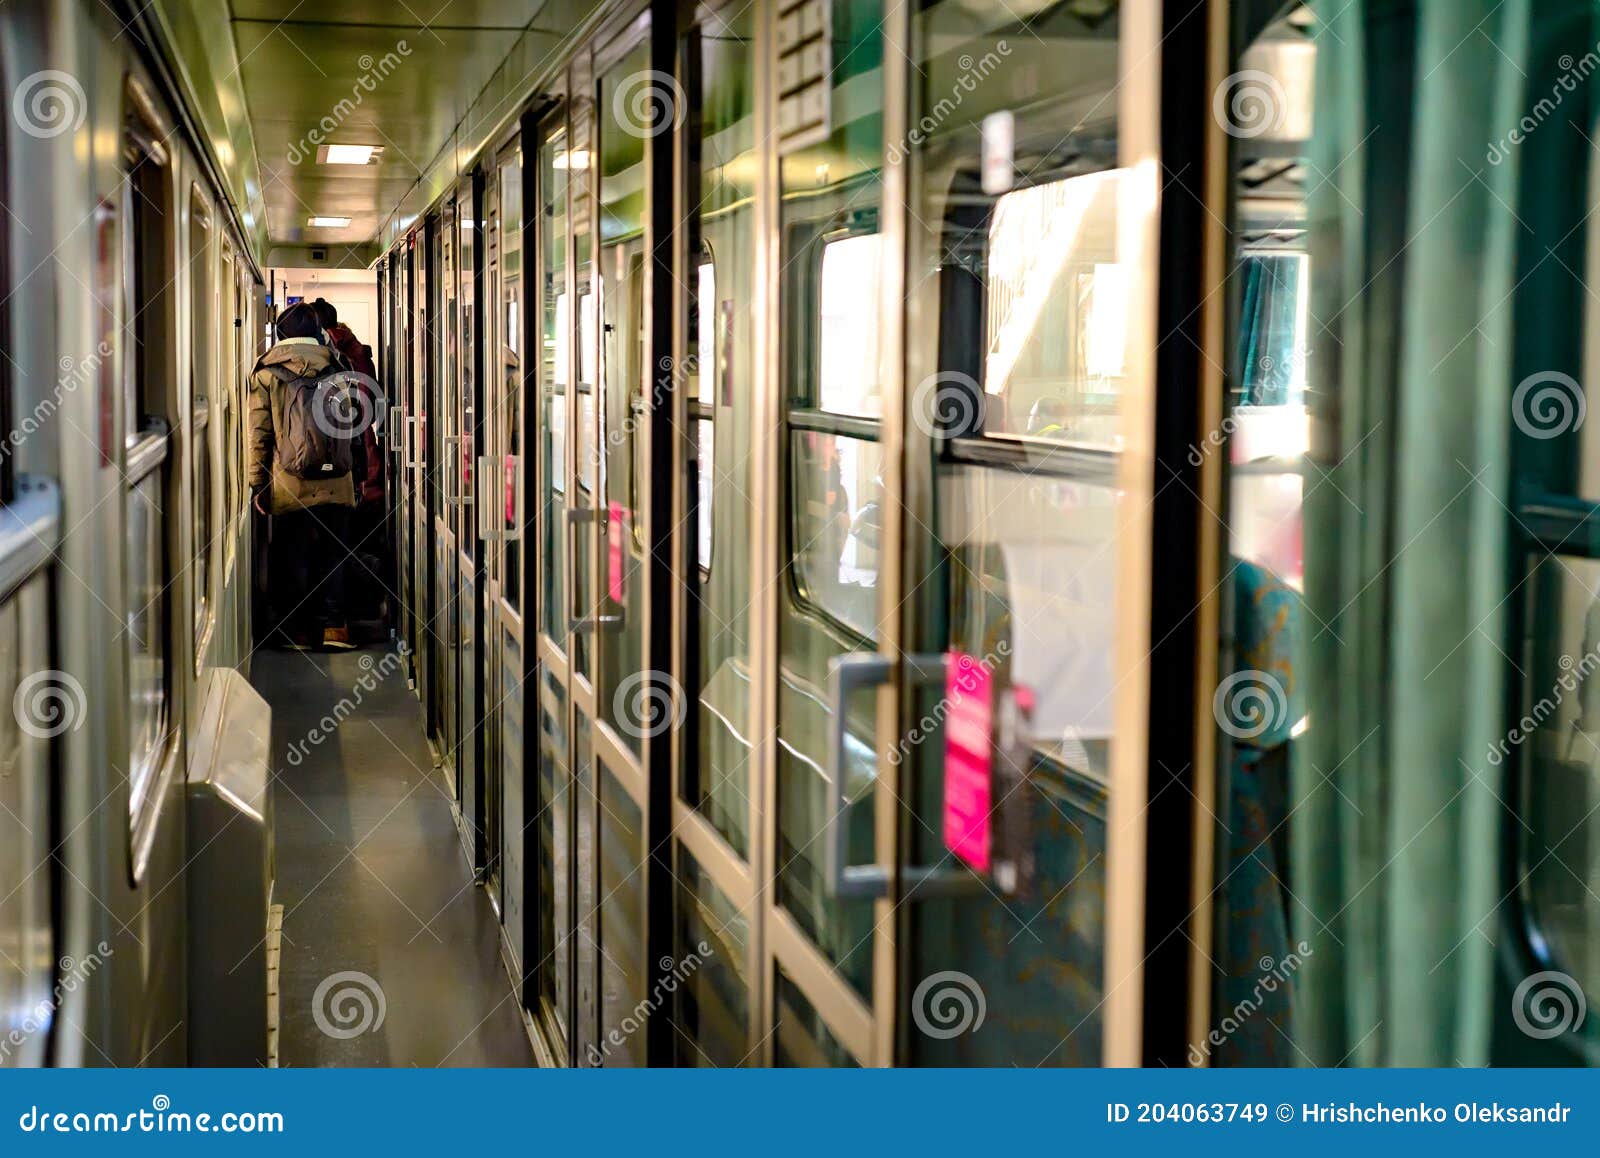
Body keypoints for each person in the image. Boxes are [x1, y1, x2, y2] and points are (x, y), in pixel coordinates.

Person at [247, 301, 357, 650]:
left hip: (289, 483)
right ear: (317, 332)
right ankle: (335, 628)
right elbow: (351, 425)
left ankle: (297, 631)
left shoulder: (266, 374)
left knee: (293, 554)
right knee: (334, 553)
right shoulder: (340, 365)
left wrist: (257, 484)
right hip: (337, 480)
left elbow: (259, 435)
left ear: (281, 335)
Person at [310, 298, 387, 635]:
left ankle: (351, 612)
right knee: (343, 541)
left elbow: (356, 411)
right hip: (357, 460)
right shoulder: (353, 353)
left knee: (341, 543)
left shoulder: (341, 357)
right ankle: (348, 612)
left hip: (354, 463)